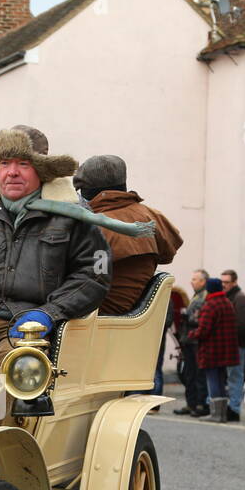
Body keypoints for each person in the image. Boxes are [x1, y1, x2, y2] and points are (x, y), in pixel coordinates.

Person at [0, 125, 124, 376]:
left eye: (23, 163)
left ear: (43, 170)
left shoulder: (76, 213)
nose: (12, 172)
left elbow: (93, 276)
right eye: (4, 163)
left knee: (11, 376)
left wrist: (48, 314)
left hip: (32, 328)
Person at [73, 154, 183, 395]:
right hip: (129, 312)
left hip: (95, 316)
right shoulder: (152, 216)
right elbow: (168, 253)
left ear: (90, 192)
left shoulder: (93, 224)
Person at [186, 277, 238, 422]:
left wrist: (191, 334)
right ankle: (221, 414)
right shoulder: (227, 303)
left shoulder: (210, 305)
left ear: (209, 289)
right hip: (225, 349)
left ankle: (216, 414)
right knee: (221, 381)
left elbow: (203, 330)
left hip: (212, 350)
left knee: (213, 381)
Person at [172, 269, 210, 417]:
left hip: (196, 341)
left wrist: (187, 316)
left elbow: (199, 319)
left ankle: (200, 404)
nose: (191, 281)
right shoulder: (197, 296)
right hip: (189, 340)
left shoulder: (204, 297)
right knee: (189, 374)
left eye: (195, 279)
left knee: (198, 374)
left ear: (203, 281)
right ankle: (191, 403)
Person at [221, 269, 245, 423]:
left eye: (227, 282)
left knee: (235, 377)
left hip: (236, 345)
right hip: (230, 345)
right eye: (222, 282)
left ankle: (234, 409)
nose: (224, 285)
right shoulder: (230, 297)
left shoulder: (240, 299)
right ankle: (230, 408)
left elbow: (242, 326)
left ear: (234, 282)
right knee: (231, 377)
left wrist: (229, 340)